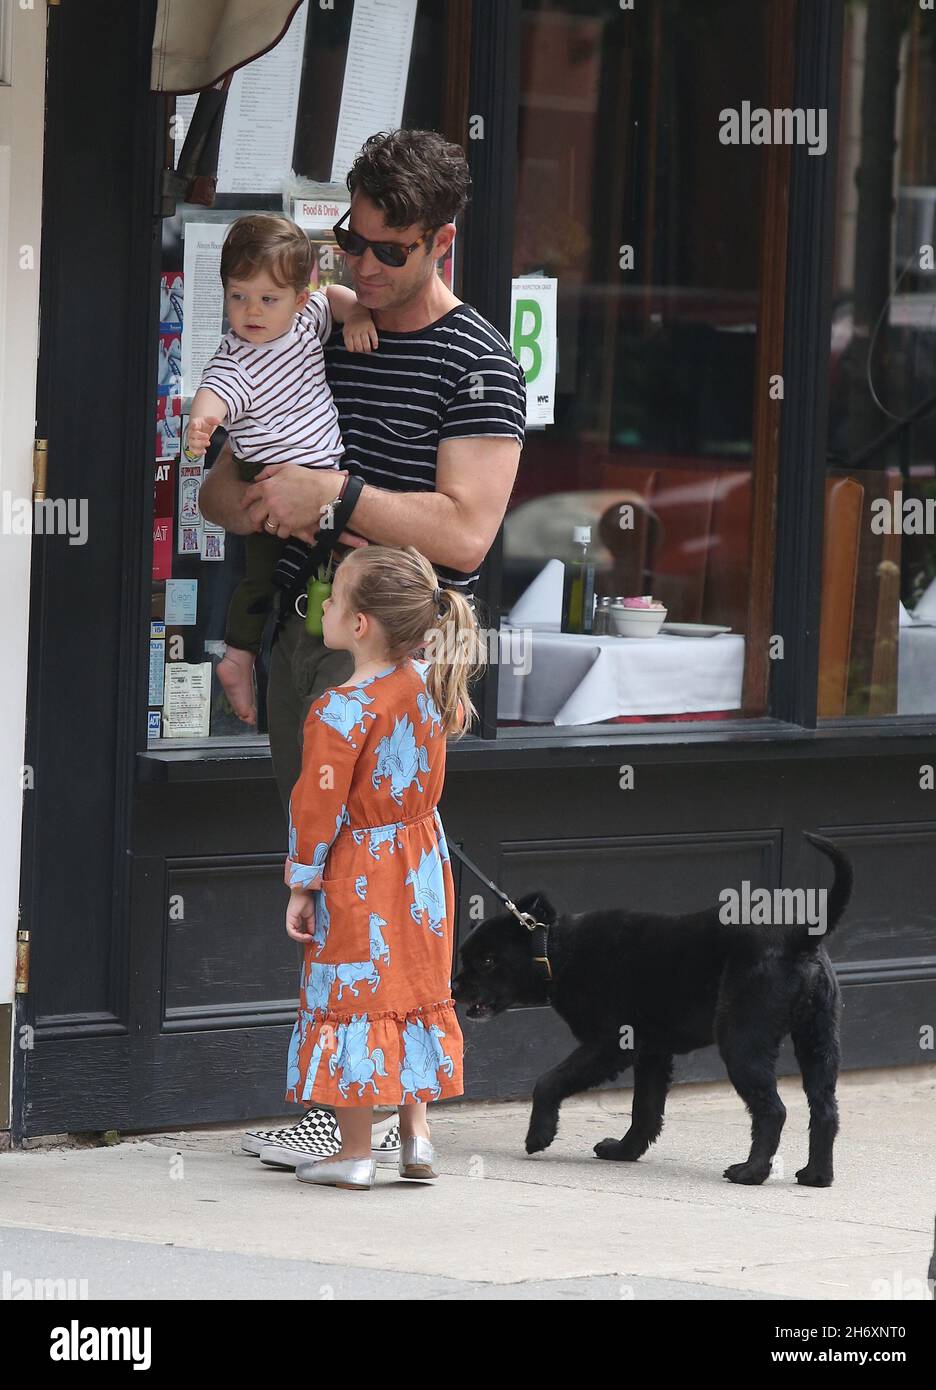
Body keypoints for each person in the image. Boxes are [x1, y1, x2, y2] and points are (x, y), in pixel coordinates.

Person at [198, 128, 526, 1168]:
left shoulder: (477, 360)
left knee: (369, 889)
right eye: (349, 240)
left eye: (387, 250)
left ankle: (359, 1110)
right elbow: (221, 485)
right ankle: (374, 1109)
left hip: (400, 658)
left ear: (441, 242)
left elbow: (467, 530)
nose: (360, 266)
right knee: (328, 876)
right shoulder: (321, 324)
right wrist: (252, 511)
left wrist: (333, 496)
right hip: (305, 629)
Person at [281, 543, 482, 1190]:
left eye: (335, 597)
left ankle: (355, 1152)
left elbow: (316, 809)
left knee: (358, 995)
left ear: (360, 625)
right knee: (414, 990)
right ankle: (417, 1139)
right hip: (423, 865)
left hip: (361, 870)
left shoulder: (338, 711)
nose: (326, 606)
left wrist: (302, 883)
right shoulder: (432, 686)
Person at [186, 212, 377, 726]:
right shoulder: (236, 358)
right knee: (264, 576)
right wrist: (203, 422)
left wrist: (357, 312)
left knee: (325, 565)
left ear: (296, 297)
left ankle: (314, 648)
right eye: (238, 296)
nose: (251, 312)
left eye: (268, 299)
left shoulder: (306, 321)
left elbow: (333, 298)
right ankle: (238, 656)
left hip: (322, 478)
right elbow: (215, 392)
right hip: (268, 480)